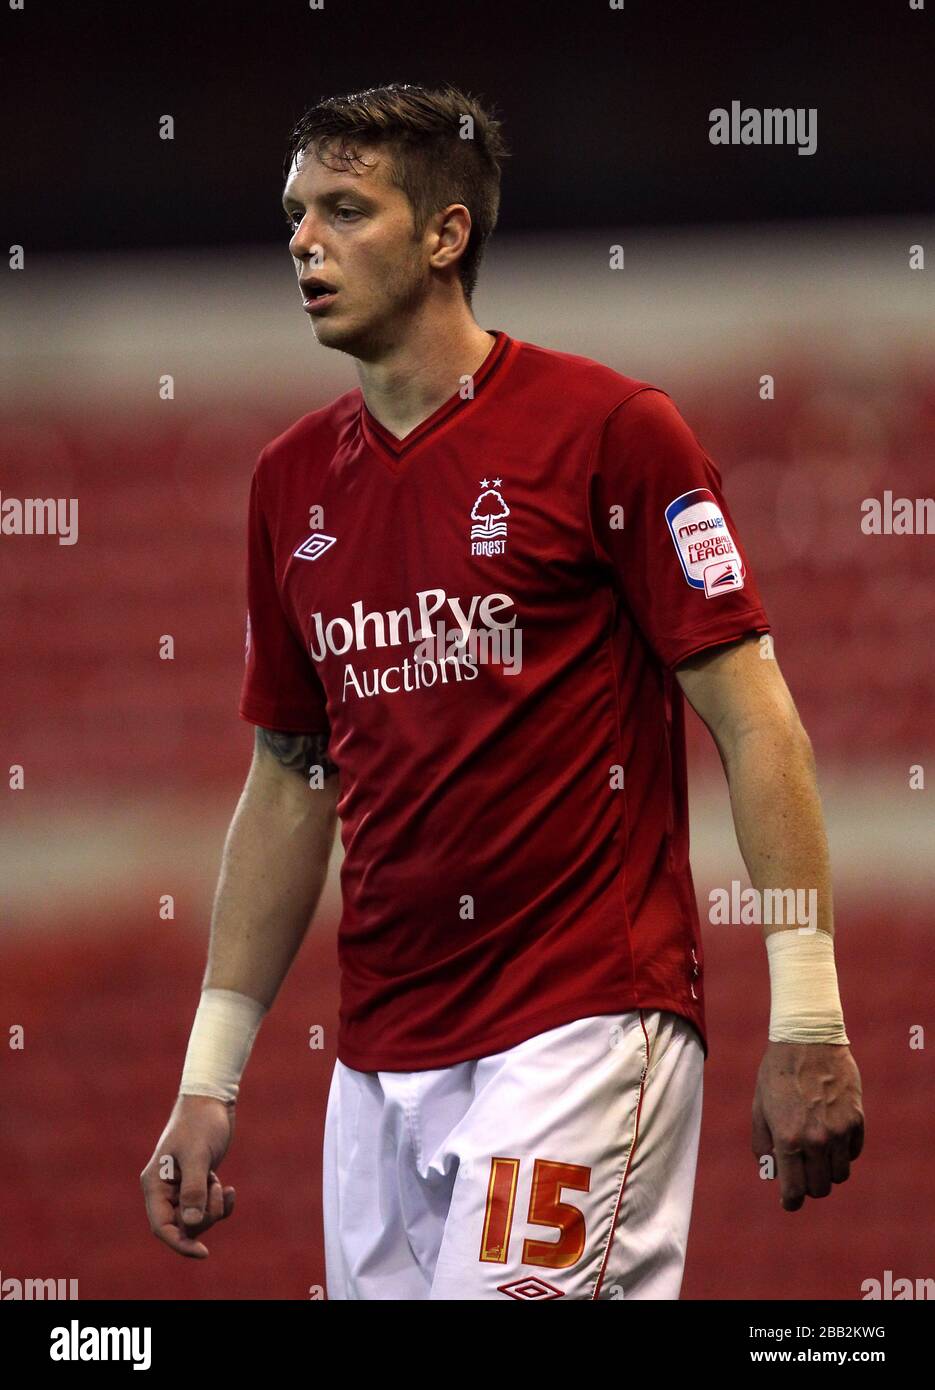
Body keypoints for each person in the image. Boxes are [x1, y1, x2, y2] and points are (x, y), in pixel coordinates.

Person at [140, 82, 864, 1301]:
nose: (303, 242)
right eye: (294, 214)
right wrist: (207, 1077)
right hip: (377, 1063)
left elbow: (755, 719)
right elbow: (289, 780)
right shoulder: (289, 484)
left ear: (444, 235)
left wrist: (807, 1014)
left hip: (578, 1024)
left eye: (344, 210)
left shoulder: (610, 430)